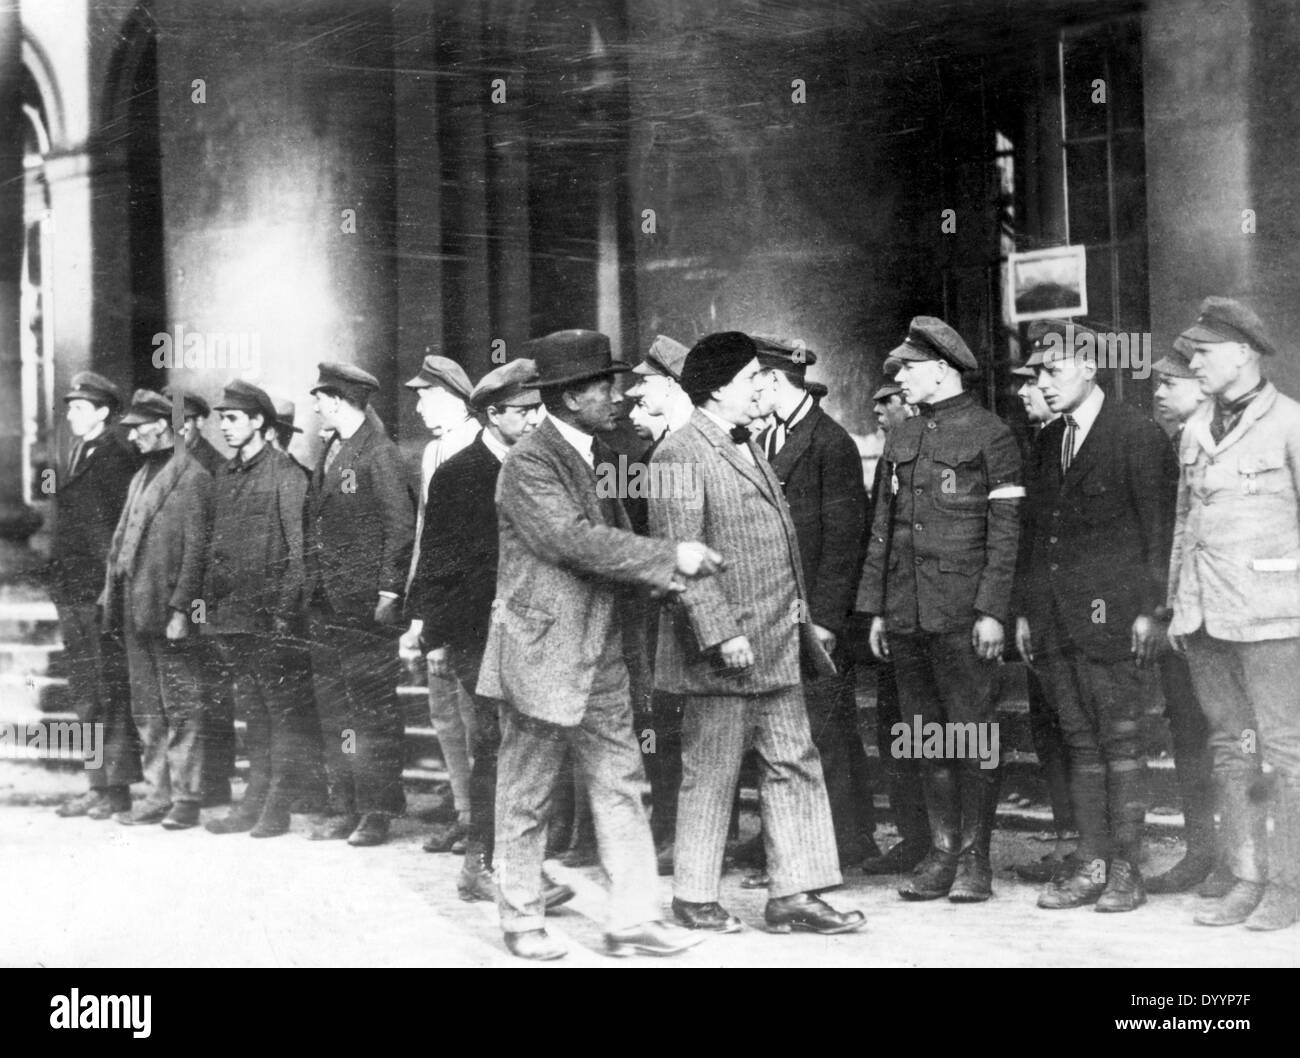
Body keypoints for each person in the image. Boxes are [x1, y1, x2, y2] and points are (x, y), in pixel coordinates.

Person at [478, 328, 717, 961]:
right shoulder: (531, 461)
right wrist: (672, 558)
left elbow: (605, 551)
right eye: (605, 384)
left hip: (600, 651)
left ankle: (632, 920)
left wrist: (663, 580)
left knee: (619, 784)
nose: (620, 393)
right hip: (543, 652)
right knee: (527, 794)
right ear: (569, 396)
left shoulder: (595, 453)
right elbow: (571, 541)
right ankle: (521, 918)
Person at [651, 330, 865, 935]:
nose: (763, 388)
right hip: (726, 649)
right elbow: (679, 555)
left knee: (793, 761)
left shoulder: (746, 445)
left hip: (776, 640)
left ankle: (795, 893)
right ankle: (694, 895)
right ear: (718, 389)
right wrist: (719, 634)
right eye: (753, 379)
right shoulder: (678, 454)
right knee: (712, 769)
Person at [860, 317, 1023, 904]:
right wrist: (877, 607)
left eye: (906, 368)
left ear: (942, 370)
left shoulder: (991, 435)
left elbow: (1005, 534)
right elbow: (884, 528)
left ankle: (976, 858)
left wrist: (992, 611)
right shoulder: (902, 438)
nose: (899, 378)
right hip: (906, 610)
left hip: (963, 613)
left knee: (973, 733)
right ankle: (941, 850)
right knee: (925, 735)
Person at [1017, 319, 1178, 913]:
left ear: (1090, 367)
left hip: (1115, 623)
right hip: (1058, 622)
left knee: (1122, 742)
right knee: (1081, 744)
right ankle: (1090, 863)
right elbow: (1037, 536)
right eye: (1037, 371)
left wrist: (1151, 612)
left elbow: (1160, 533)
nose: (1043, 381)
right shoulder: (1045, 441)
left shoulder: (1138, 435)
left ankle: (1126, 870)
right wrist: (1028, 614)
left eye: (1053, 369)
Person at [412, 358, 568, 909]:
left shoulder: (541, 465)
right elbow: (437, 560)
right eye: (522, 412)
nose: (533, 420)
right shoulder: (458, 472)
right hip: (479, 634)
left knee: (521, 748)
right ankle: (483, 864)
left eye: (537, 409)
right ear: (491, 413)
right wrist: (437, 637)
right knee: (495, 746)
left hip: (535, 630)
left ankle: (513, 863)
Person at [1168, 296, 1300, 930]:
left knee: (1285, 753)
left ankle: (1290, 884)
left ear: (1244, 354)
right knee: (1231, 752)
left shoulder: (1292, 425)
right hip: (1206, 620)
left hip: (1276, 621)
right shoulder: (1194, 430)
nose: (1193, 361)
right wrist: (1176, 603)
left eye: (1205, 351)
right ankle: (1247, 878)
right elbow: (1183, 525)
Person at [751, 336, 877, 879]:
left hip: (816, 618)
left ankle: (847, 840)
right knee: (790, 730)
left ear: (775, 382)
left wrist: (825, 620)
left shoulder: (831, 444)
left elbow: (846, 541)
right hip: (780, 612)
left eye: (755, 381)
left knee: (826, 729)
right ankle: (792, 840)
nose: (750, 392)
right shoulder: (764, 438)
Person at [304, 362, 416, 847]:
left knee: (372, 711)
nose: (313, 407)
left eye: (319, 399)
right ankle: (343, 804)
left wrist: (390, 592)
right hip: (327, 603)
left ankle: (377, 809)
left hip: (365, 607)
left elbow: (401, 527)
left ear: (335, 401)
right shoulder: (332, 449)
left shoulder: (379, 453)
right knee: (333, 709)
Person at [200, 381, 313, 838]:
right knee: (253, 714)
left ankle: (276, 806)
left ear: (259, 422)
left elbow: (299, 554)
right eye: (221, 418)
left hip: (271, 620)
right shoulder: (226, 475)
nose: (223, 426)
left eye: (232, 418)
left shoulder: (287, 474)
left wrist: (285, 614)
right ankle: (252, 801)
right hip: (232, 620)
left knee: (280, 715)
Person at [100, 389, 214, 829]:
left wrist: (183, 610)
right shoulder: (140, 474)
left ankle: (187, 797)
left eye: (138, 427)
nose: (132, 436)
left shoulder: (193, 476)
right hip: (133, 607)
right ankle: (158, 792)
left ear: (163, 426)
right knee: (146, 707)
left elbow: (197, 554)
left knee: (182, 704)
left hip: (167, 612)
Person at [49, 372, 142, 820]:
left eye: (81, 407)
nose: (72, 414)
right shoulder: (79, 451)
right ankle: (96, 784)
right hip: (72, 588)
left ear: (104, 412)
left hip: (98, 592)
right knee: (86, 690)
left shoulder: (115, 454)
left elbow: (118, 529)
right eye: (70, 407)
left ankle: (116, 789)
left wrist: (110, 588)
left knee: (109, 689)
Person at [399, 355, 482, 852]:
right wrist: (418, 611)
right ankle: (464, 811)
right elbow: (425, 537)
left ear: (454, 397)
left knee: (474, 719)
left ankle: (483, 822)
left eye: (426, 397)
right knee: (444, 715)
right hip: (436, 601)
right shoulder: (433, 452)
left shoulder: (479, 444)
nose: (419, 408)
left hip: (467, 605)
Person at [1143, 341, 1218, 895]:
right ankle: (1201, 853)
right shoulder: (1165, 447)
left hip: (1232, 618)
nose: (1159, 394)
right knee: (1189, 737)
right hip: (1180, 618)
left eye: (1170, 384)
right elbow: (1163, 540)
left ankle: (1250, 862)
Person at [622, 333, 692, 873]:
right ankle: (667, 826)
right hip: (658, 609)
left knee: (686, 722)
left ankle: (684, 831)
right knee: (661, 720)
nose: (634, 394)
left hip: (686, 606)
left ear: (669, 387)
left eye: (644, 384)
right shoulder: (655, 450)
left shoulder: (687, 446)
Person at [1008, 354, 1077, 885]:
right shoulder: (1042, 443)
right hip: (1043, 615)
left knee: (1078, 729)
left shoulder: (1073, 441)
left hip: (1081, 616)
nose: (1029, 391)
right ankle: (1066, 836)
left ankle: (1086, 840)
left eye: (1037, 380)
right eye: (1029, 381)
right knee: (1047, 726)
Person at [859, 378, 932, 875]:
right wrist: (876, 609)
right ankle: (914, 835)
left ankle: (944, 841)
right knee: (896, 727)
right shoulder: (890, 456)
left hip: (937, 616)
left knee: (936, 730)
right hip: (896, 612)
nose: (880, 412)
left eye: (887, 401)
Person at [162, 384, 236, 808]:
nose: (178, 430)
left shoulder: (214, 467)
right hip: (181, 593)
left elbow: (210, 543)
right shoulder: (170, 465)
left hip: (206, 596)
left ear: (197, 423)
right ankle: (192, 779)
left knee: (212, 690)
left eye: (184, 422)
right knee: (187, 691)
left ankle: (215, 780)